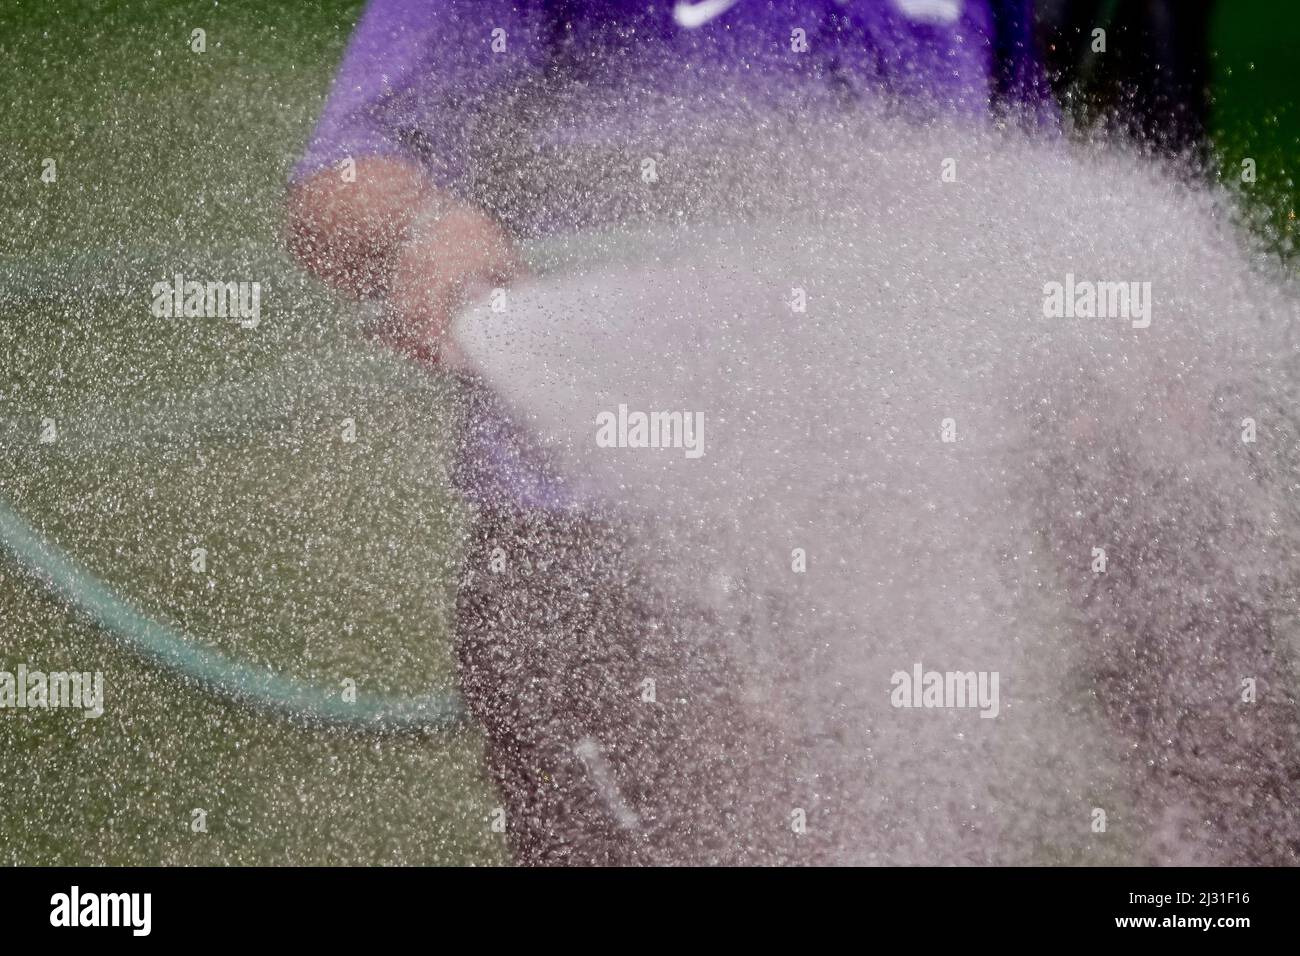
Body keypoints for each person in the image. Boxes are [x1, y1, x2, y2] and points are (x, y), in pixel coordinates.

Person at [286, 0, 1053, 865]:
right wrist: (425, 228)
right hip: (610, 569)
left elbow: (1031, 214)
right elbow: (339, 178)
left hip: (903, 563)